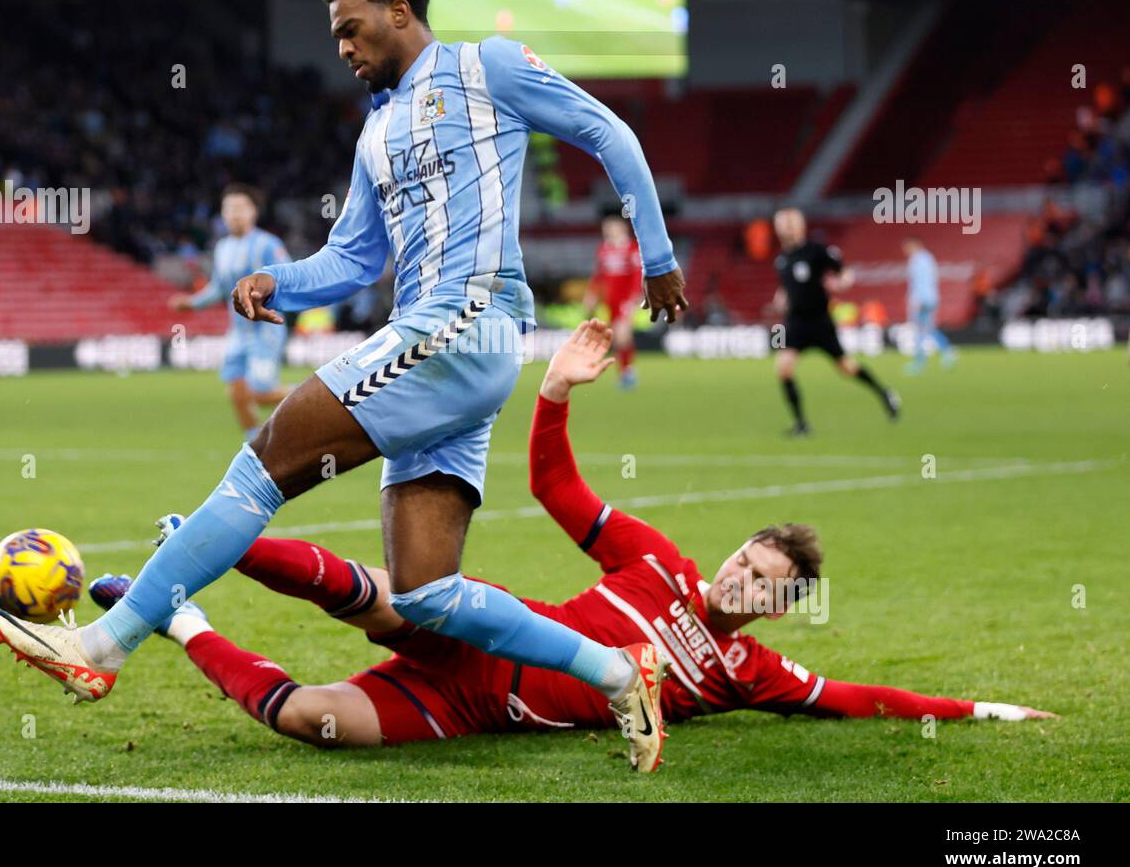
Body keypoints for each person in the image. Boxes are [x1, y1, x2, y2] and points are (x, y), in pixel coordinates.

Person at [0, 0, 687, 770]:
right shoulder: (377, 132)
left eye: (353, 30)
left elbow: (606, 130)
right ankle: (613, 667)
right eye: (335, 38)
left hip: (467, 321)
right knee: (425, 591)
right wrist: (276, 280)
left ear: (400, 10)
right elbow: (351, 260)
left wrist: (659, 254)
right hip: (442, 349)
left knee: (265, 461)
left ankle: (103, 645)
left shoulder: (486, 67)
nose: (345, 49)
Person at [87, 322, 1052, 764]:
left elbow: (861, 700)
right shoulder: (655, 561)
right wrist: (552, 395)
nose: (742, 581)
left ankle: (183, 616)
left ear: (778, 607)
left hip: (470, 713)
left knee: (307, 721)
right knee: (364, 590)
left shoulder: (747, 674)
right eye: (747, 560)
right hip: (483, 629)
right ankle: (204, 552)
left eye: (765, 586)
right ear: (735, 550)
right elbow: (556, 487)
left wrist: (985, 708)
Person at [169, 184, 291, 437]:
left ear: (253, 212)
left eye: (240, 208)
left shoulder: (267, 244)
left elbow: (289, 277)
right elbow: (219, 287)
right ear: (222, 215)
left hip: (265, 330)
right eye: (229, 209)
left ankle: (310, 394)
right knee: (235, 391)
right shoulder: (222, 247)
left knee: (261, 392)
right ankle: (255, 443)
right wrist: (191, 303)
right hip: (238, 332)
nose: (234, 214)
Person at [771, 208, 899, 436]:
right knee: (783, 368)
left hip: (820, 321)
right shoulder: (782, 259)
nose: (785, 228)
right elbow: (787, 287)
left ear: (800, 226)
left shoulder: (817, 250)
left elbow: (845, 273)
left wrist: (840, 283)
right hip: (795, 322)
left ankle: (884, 393)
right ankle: (801, 424)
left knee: (846, 368)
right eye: (781, 223)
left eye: (789, 223)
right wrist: (780, 299)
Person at [582, 214, 643, 388]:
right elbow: (599, 275)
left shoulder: (631, 248)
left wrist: (634, 297)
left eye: (611, 229)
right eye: (606, 230)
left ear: (622, 229)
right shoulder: (604, 249)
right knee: (617, 338)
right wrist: (592, 294)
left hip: (625, 299)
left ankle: (628, 372)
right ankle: (625, 371)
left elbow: (637, 274)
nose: (608, 232)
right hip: (610, 301)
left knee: (622, 334)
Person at [902, 236, 956, 373]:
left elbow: (920, 282)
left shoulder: (917, 260)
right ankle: (946, 352)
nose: (905, 250)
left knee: (920, 330)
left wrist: (917, 299)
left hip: (922, 299)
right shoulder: (928, 258)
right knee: (928, 328)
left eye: (907, 247)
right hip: (931, 297)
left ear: (915, 245)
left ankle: (920, 362)